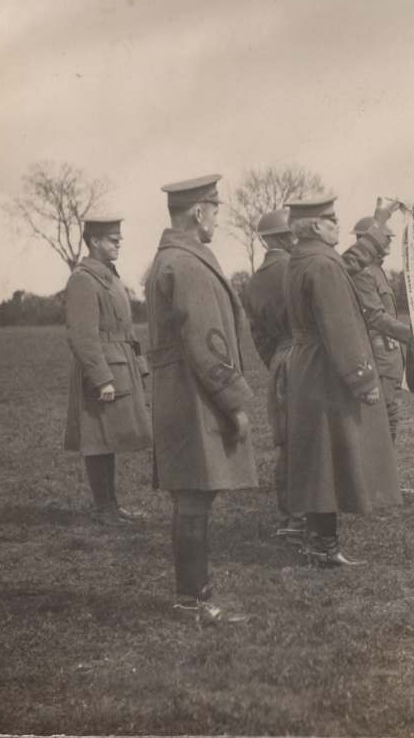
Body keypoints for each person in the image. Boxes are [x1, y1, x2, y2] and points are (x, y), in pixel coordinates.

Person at [146, 174, 258, 624]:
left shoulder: (173, 259)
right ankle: (194, 601)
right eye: (214, 206)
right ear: (198, 211)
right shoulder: (187, 264)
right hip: (194, 396)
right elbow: (206, 342)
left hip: (181, 392)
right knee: (194, 496)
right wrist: (234, 404)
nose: (217, 215)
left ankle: (190, 598)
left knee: (193, 495)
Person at [284, 194, 402, 568]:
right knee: (329, 457)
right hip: (327, 369)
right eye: (332, 220)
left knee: (320, 458)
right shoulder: (323, 266)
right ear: (317, 226)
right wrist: (364, 379)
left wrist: (380, 220)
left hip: (310, 365)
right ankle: (323, 545)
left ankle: (319, 540)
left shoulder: (308, 259)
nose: (339, 224)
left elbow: (350, 261)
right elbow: (342, 327)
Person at [63, 214, 152, 525]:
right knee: (97, 439)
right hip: (101, 370)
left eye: (119, 238)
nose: (119, 243)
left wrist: (139, 367)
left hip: (120, 364)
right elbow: (82, 336)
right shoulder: (83, 280)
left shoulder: (109, 277)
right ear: (94, 242)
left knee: (108, 437)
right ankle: (105, 508)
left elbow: (127, 329)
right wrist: (102, 379)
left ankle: (111, 506)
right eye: (112, 240)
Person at [240, 208, 305, 543]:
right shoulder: (295, 269)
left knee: (287, 440)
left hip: (280, 358)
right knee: (309, 437)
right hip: (305, 356)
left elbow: (257, 335)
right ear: (286, 236)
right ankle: (304, 515)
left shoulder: (254, 280)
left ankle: (290, 515)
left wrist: (277, 360)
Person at [344, 205, 412, 443]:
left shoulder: (376, 271)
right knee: (383, 420)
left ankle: (385, 476)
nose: (388, 244)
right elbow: (375, 316)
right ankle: (381, 477)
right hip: (378, 356)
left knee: (389, 417)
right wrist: (411, 336)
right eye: (386, 239)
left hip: (389, 356)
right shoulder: (363, 273)